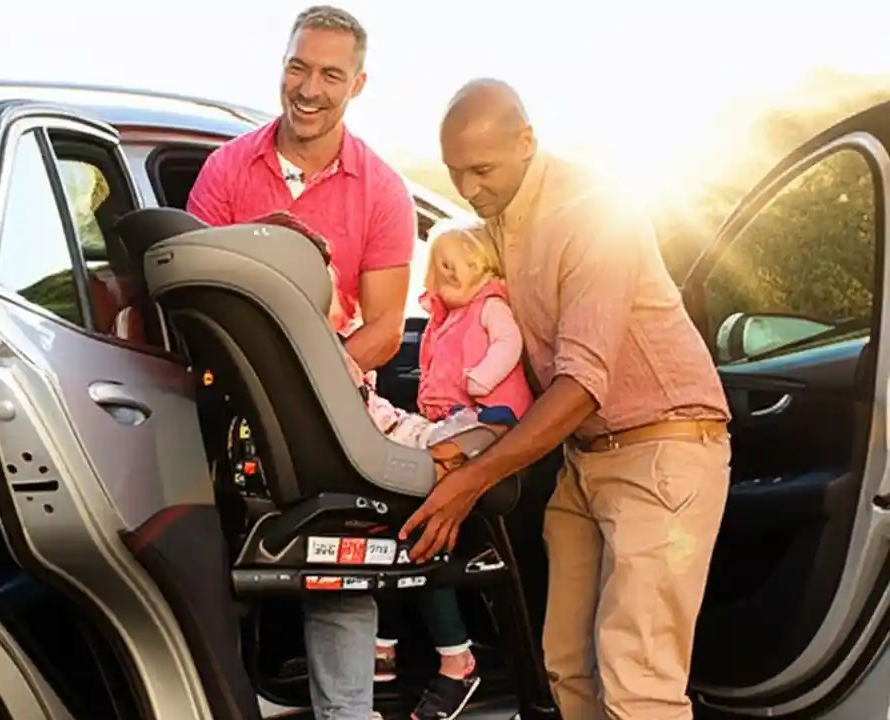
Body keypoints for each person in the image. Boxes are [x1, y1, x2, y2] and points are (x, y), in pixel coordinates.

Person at [400, 78, 732, 720]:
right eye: (454, 172)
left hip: (663, 452)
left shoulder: (593, 215)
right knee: (564, 671)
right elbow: (473, 313)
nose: (468, 189)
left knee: (638, 684)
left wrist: (471, 478)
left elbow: (581, 383)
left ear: (526, 142)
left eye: (483, 169)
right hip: (583, 462)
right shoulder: (500, 224)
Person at [186, 6, 416, 719]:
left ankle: (347, 713)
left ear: (359, 84)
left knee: (339, 569)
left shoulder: (383, 190)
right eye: (297, 66)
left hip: (333, 413)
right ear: (282, 65)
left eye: (330, 74)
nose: (309, 88)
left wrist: (313, 382)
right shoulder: (227, 169)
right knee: (210, 570)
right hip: (224, 404)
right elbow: (190, 296)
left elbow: (383, 329)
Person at [365, 221, 534, 720]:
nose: (450, 273)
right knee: (405, 524)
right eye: (440, 265)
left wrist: (478, 380)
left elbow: (509, 345)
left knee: (425, 518)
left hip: (492, 420)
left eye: (463, 263)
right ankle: (385, 643)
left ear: (485, 268)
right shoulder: (442, 318)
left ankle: (456, 661)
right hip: (453, 422)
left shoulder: (490, 306)